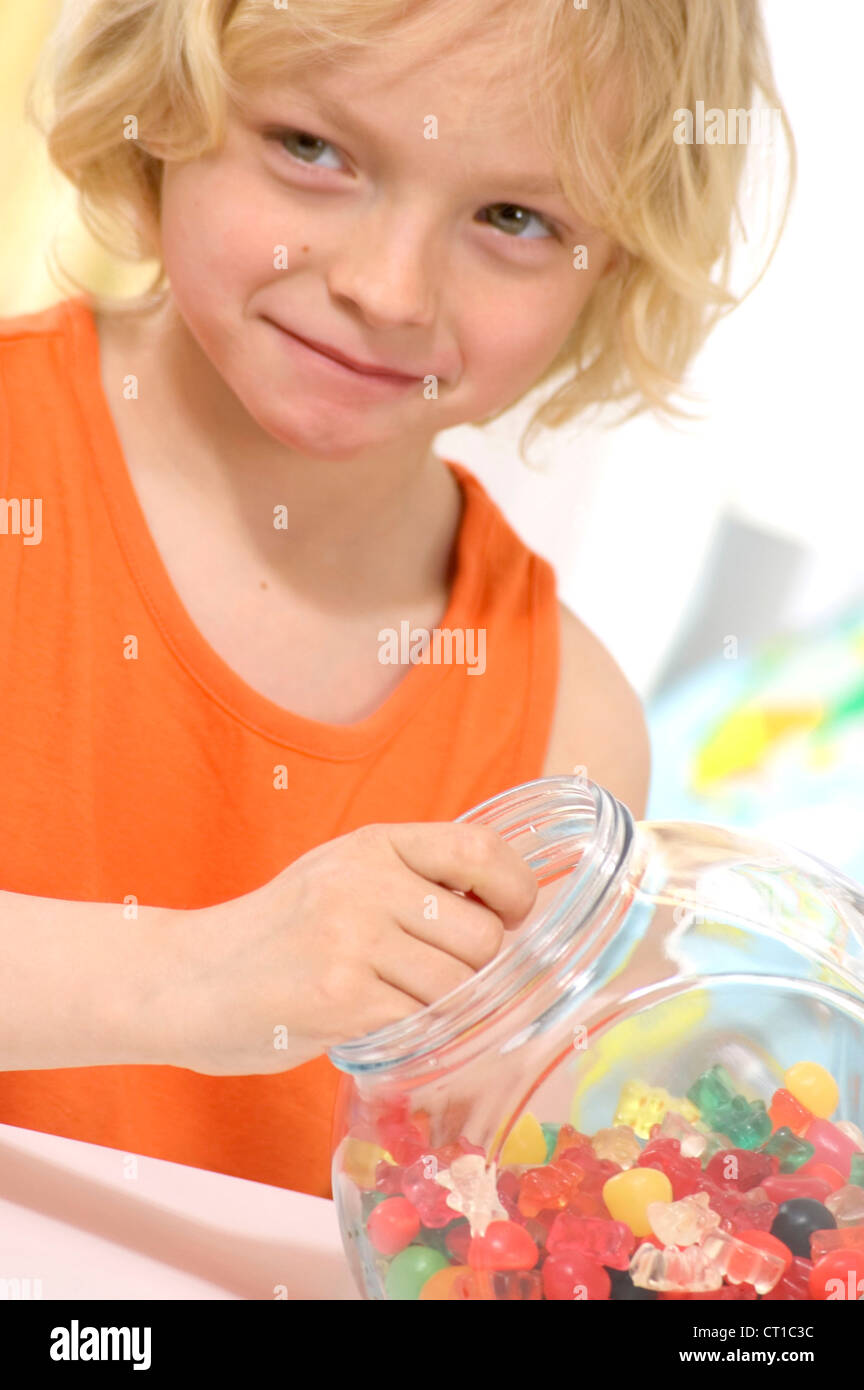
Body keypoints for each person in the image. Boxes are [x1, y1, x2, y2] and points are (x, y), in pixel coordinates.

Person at [0, 0, 792, 1198]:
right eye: (312, 149)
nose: (387, 288)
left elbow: (447, 1215)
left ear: (616, 262)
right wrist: (196, 976)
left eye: (514, 218)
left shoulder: (568, 731)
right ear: (163, 101)